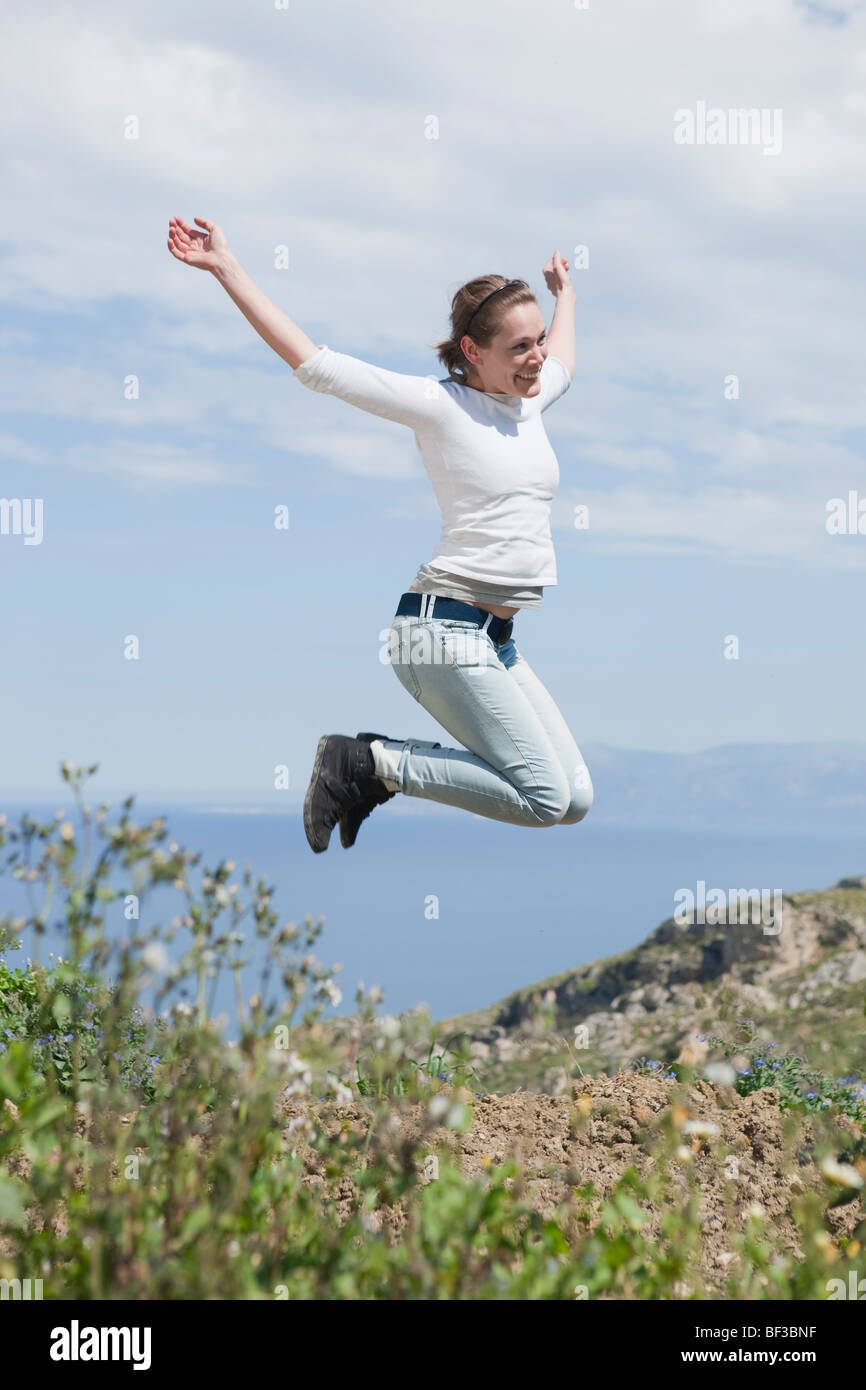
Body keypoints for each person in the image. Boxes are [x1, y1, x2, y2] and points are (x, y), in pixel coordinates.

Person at [167, 216, 594, 853]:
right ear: (474, 351)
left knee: (574, 801)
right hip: (440, 633)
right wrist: (226, 268)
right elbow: (317, 365)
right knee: (544, 799)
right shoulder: (440, 406)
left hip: (494, 641)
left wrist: (566, 297)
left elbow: (564, 361)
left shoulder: (529, 402)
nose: (536, 359)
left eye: (537, 343)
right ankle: (371, 764)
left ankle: (373, 767)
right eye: (519, 348)